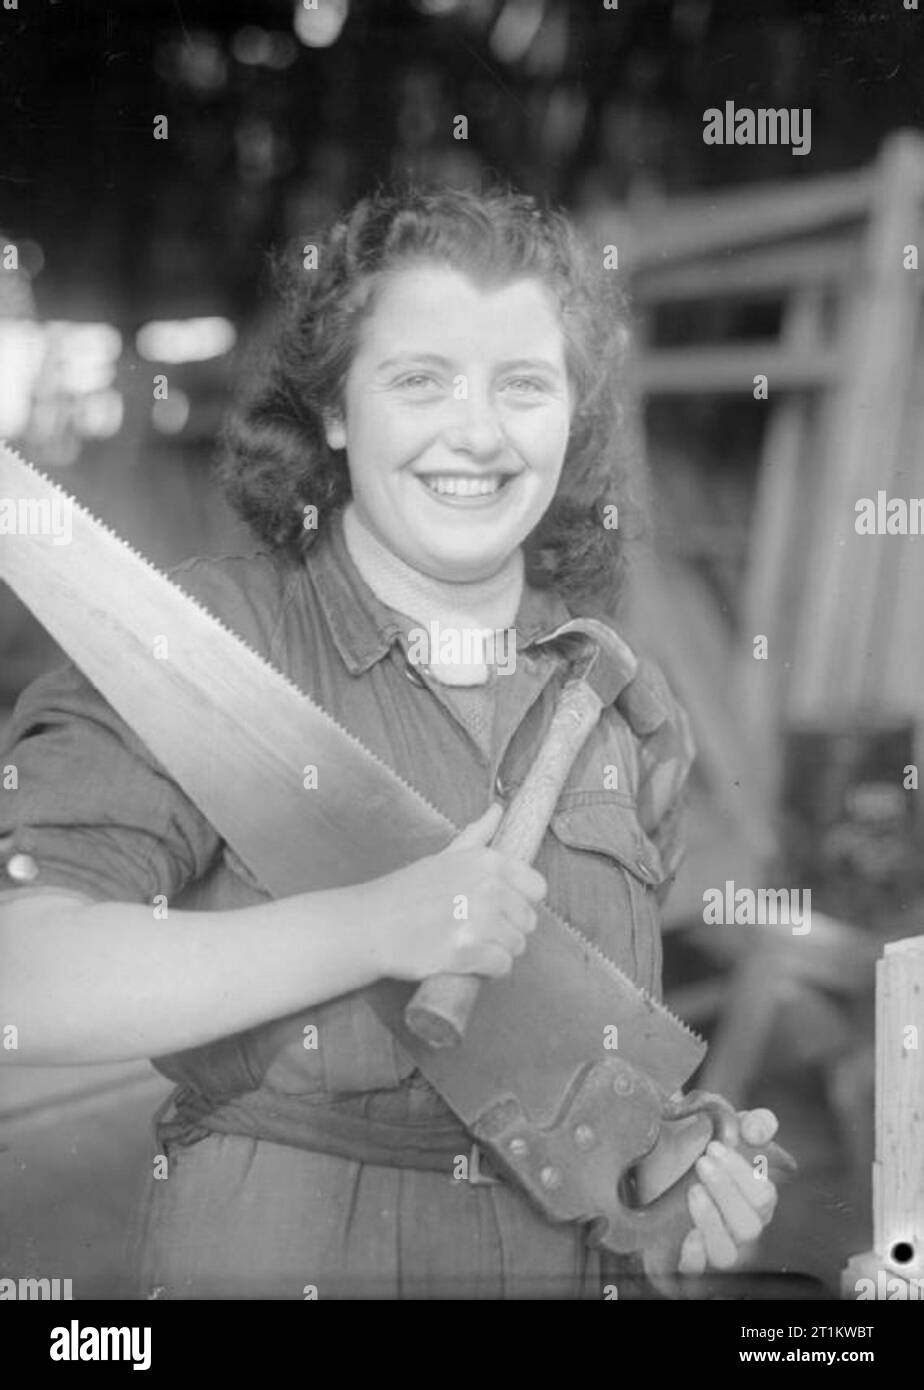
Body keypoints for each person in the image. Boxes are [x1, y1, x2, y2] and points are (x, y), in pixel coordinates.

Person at [0, 186, 779, 1299]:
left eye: (524, 384)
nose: (477, 430)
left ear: (574, 417)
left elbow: (551, 1075)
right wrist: (369, 926)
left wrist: (672, 1175)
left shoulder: (616, 701)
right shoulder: (210, 646)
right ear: (332, 410)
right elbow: (20, 980)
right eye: (421, 379)